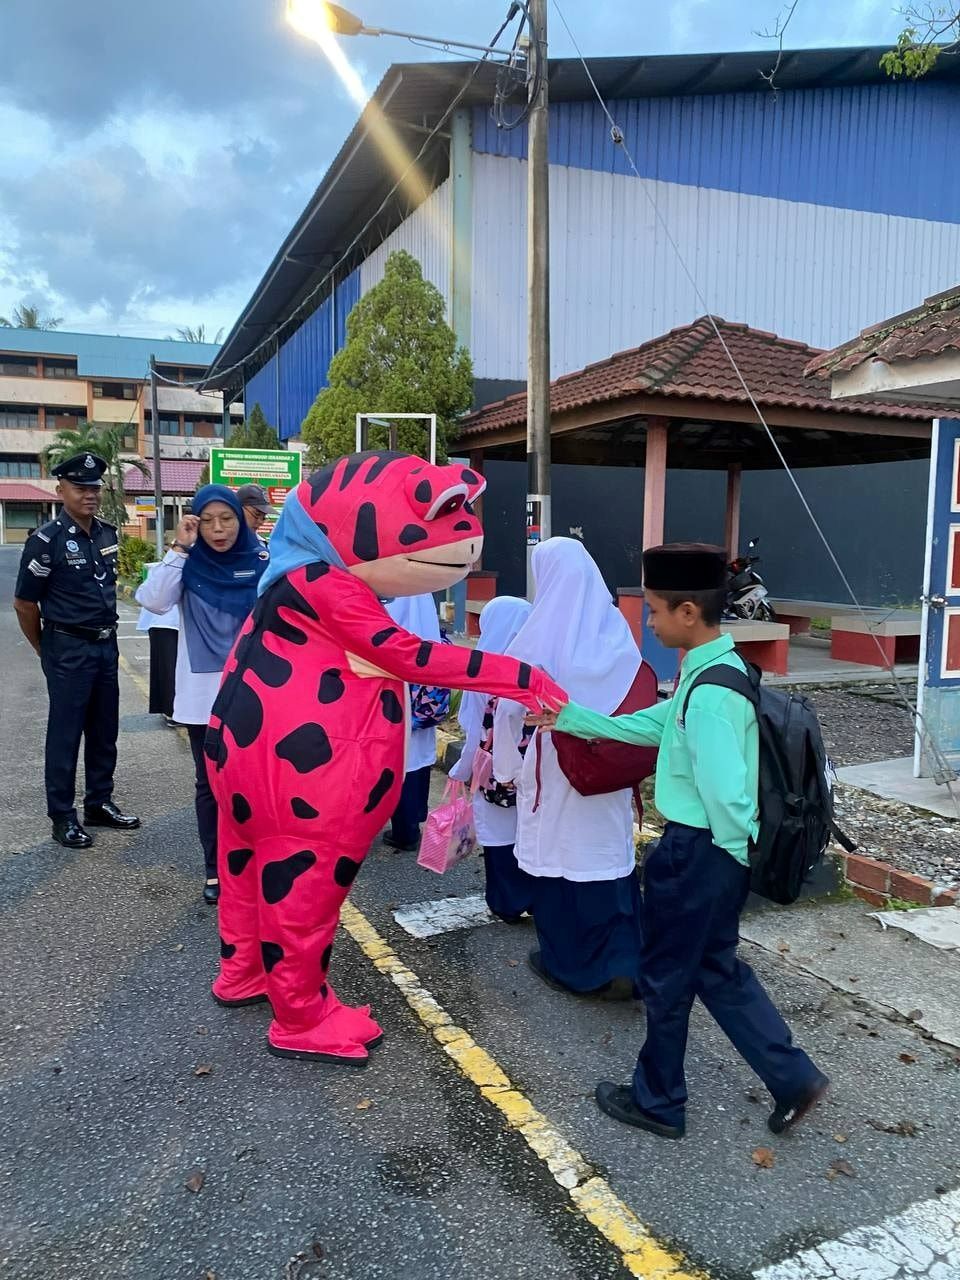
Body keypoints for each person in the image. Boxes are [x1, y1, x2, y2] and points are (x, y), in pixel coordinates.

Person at [206, 450, 565, 1066]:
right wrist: (518, 675)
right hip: (303, 770)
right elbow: (407, 654)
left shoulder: (290, 575)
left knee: (245, 861)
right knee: (303, 884)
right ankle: (299, 1013)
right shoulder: (326, 585)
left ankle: (243, 969)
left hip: (244, 753)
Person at [538, 542, 829, 1140]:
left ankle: (660, 1101)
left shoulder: (714, 692)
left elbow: (729, 797)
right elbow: (653, 725)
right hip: (708, 856)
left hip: (701, 854)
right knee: (716, 970)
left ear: (688, 612)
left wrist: (725, 858)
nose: (648, 619)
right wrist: (568, 717)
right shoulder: (710, 671)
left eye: (653, 609)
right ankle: (794, 1078)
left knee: (667, 978)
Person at [495, 538, 644, 1000]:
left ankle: (572, 967)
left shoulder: (538, 636)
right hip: (611, 770)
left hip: (558, 771)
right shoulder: (615, 631)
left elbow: (506, 708)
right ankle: (623, 960)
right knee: (607, 860)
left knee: (558, 867)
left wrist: (506, 767)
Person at [135, 484, 267, 904]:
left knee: (256, 783)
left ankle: (253, 863)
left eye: (226, 518)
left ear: (239, 518)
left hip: (256, 695)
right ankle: (215, 871)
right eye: (207, 520)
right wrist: (178, 547)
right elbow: (151, 601)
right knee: (210, 785)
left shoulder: (262, 561)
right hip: (201, 701)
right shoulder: (187, 565)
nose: (218, 529)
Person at [13, 452, 140, 849]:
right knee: (66, 735)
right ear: (61, 490)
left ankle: (98, 803)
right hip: (67, 647)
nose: (89, 495)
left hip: (106, 646)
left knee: (105, 732)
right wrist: (45, 649)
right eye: (80, 487)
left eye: (94, 488)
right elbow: (24, 604)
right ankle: (62, 816)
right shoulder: (44, 542)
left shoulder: (107, 533)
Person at [449, 596, 536, 923]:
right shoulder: (538, 663)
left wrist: (463, 771)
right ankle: (535, 898)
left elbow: (475, 732)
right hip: (534, 771)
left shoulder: (483, 668)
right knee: (528, 833)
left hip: (496, 775)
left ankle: (508, 903)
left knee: (498, 835)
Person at [382, 592, 443, 852]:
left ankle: (405, 829)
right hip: (426, 674)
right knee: (419, 752)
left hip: (394, 676)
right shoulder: (423, 588)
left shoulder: (392, 585)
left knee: (399, 756)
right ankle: (416, 816)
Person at [136, 562, 179, 723]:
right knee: (168, 668)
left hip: (170, 621)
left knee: (170, 668)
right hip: (165, 620)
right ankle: (171, 710)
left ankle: (172, 709)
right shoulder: (174, 560)